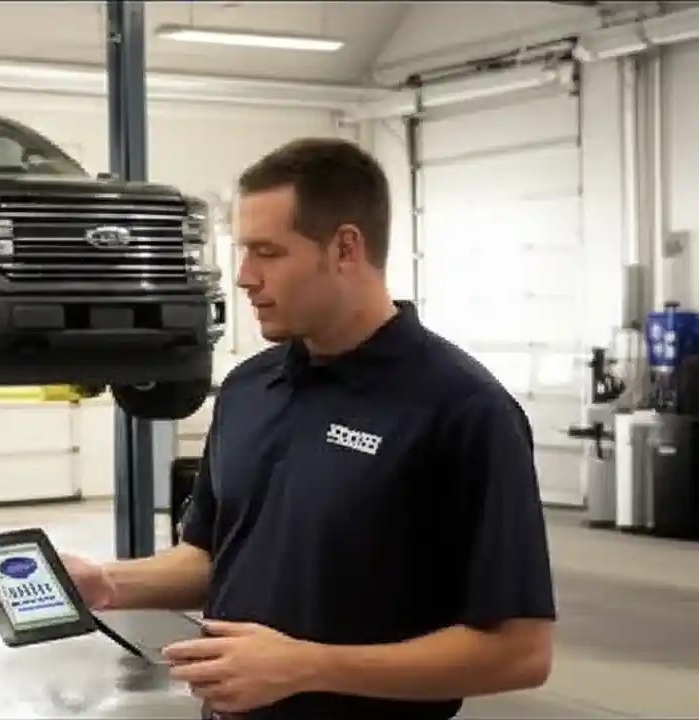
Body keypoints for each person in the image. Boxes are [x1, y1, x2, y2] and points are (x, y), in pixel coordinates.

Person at [63, 138, 556, 719]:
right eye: (243, 252)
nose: (244, 278)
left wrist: (307, 666)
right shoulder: (249, 389)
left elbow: (520, 651)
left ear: (345, 248)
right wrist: (106, 583)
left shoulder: (464, 410)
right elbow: (219, 555)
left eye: (268, 252)